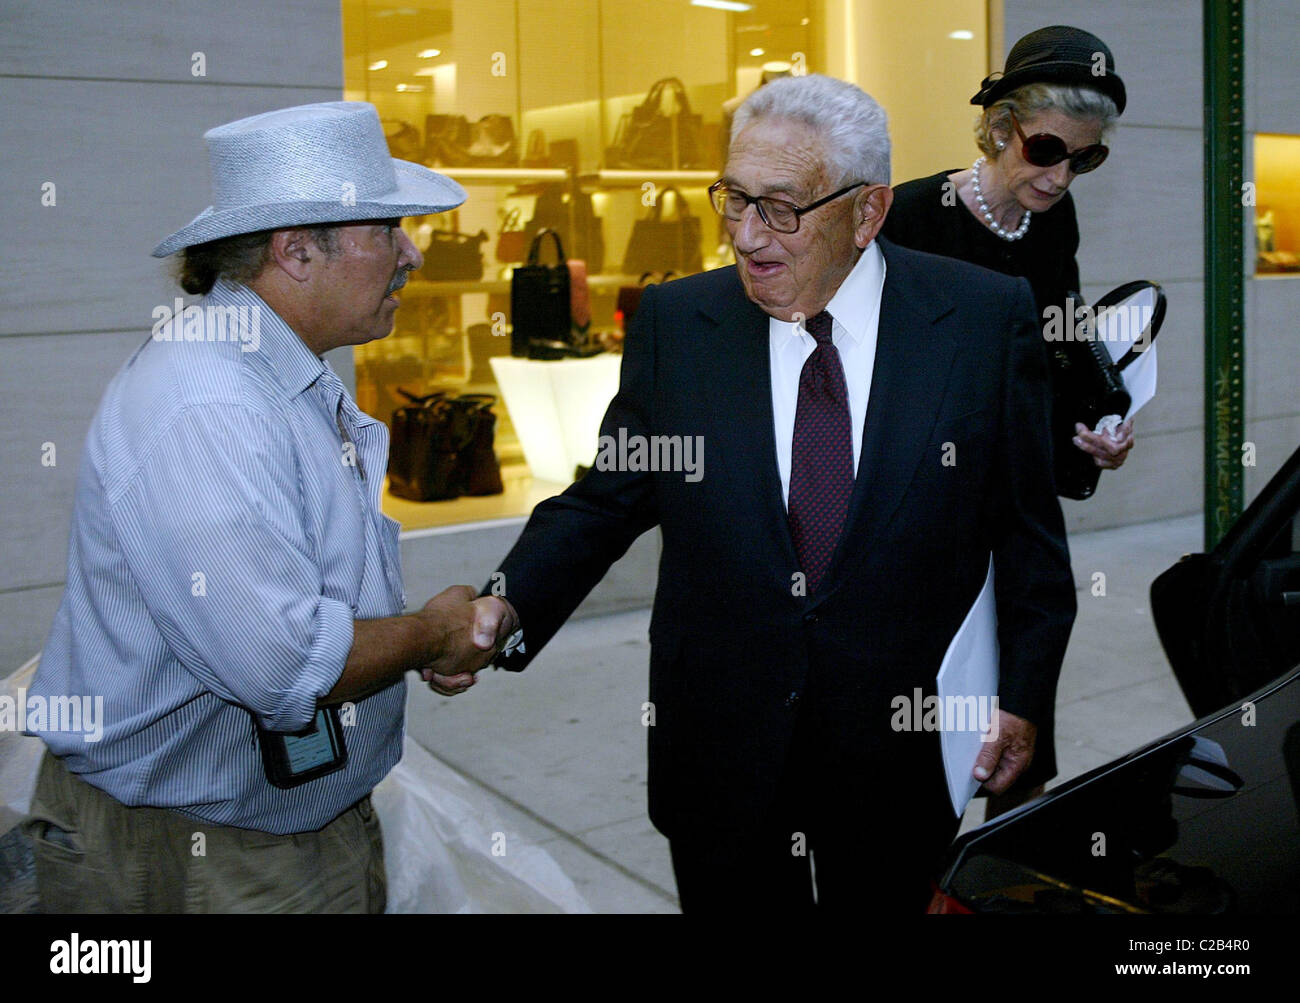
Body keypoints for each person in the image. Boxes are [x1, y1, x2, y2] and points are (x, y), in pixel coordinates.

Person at [477, 74, 1077, 912]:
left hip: (900, 754)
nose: (747, 236)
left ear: (867, 212)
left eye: (783, 207)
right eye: (734, 200)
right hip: (722, 751)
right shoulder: (679, 325)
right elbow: (605, 499)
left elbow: (1026, 532)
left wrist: (1024, 695)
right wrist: (502, 607)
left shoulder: (979, 319)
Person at [22, 102, 513, 913]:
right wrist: (433, 631)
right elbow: (286, 663)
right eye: (386, 229)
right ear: (295, 251)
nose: (412, 253)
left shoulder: (277, 376)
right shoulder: (208, 403)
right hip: (196, 857)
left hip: (273, 833)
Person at [882, 25, 1130, 815]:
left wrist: (1099, 424)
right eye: (1046, 149)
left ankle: (1009, 880)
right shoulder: (909, 217)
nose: (1059, 177)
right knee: (932, 727)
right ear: (998, 128)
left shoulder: (1051, 223)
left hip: (1019, 508)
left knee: (1023, 727)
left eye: (1083, 159)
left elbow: (1062, 338)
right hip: (922, 512)